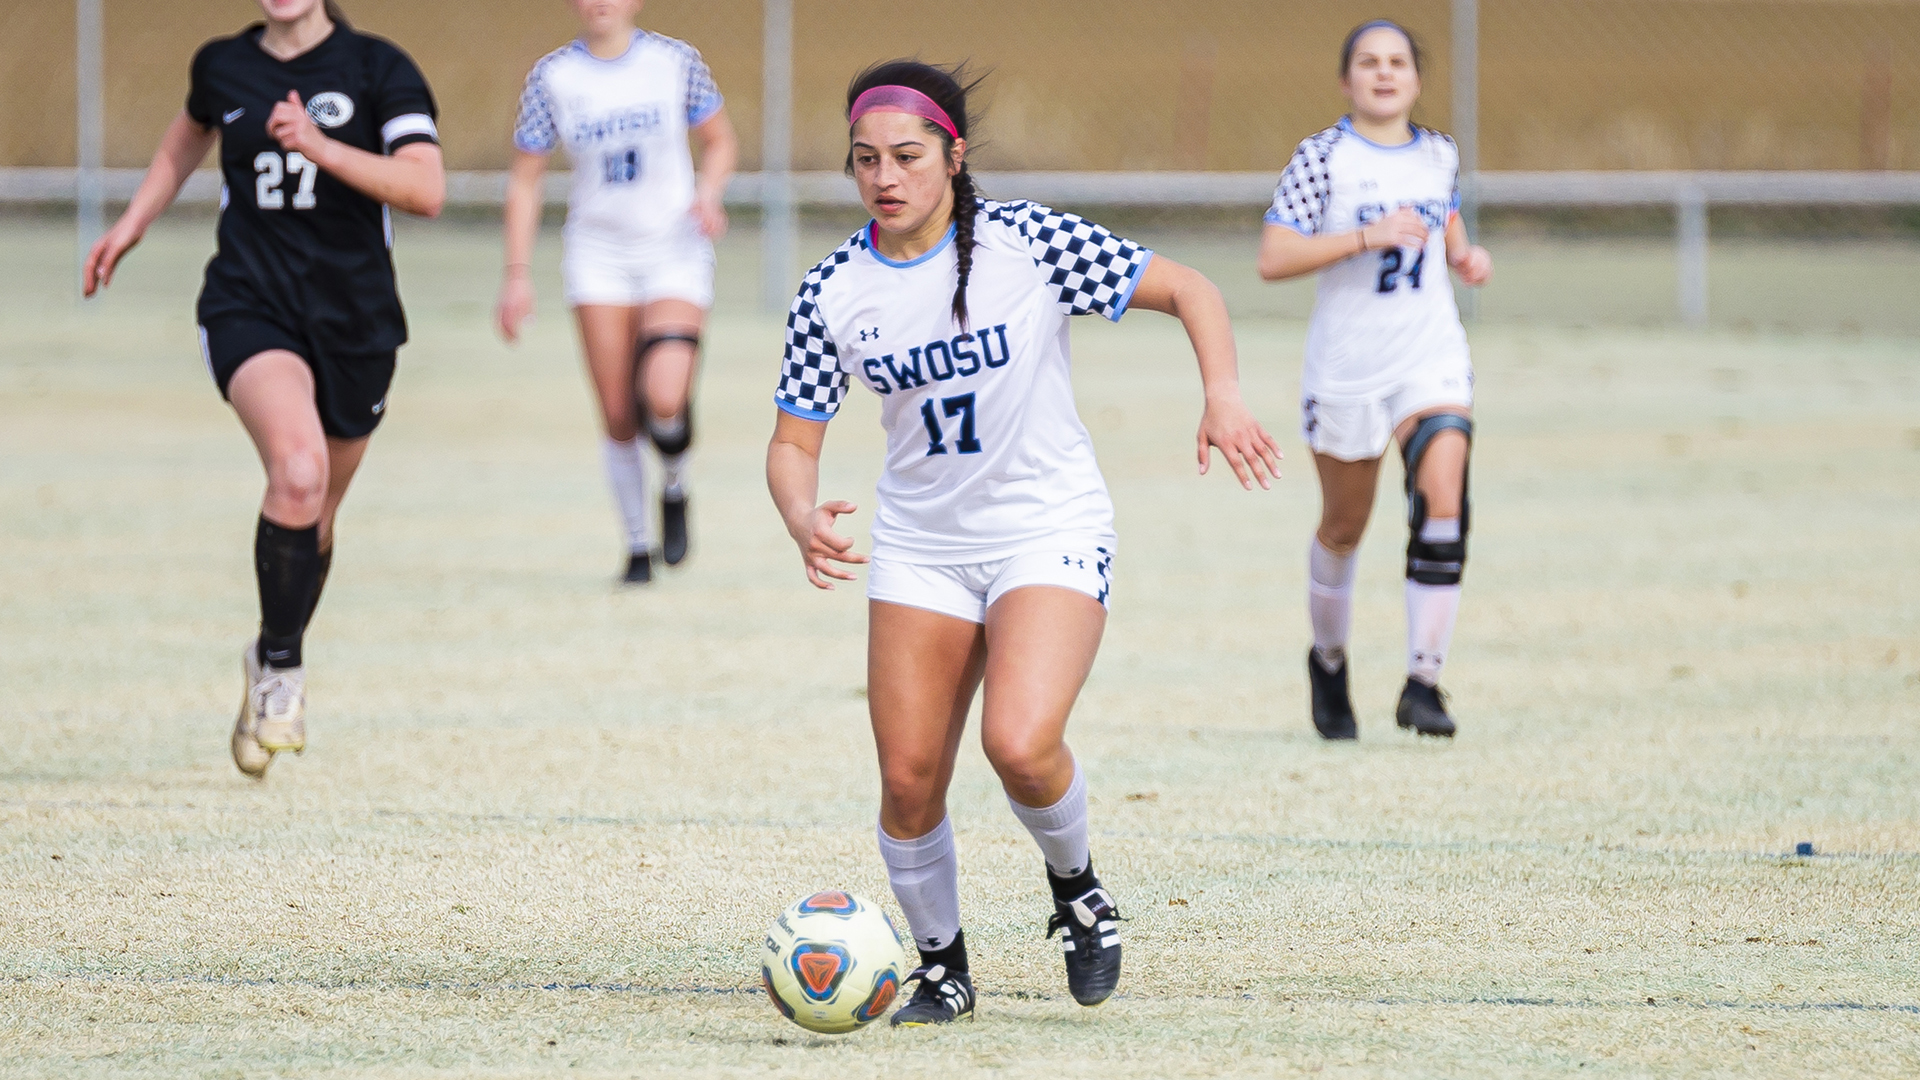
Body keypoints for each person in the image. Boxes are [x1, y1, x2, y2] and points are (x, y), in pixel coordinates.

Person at [766, 60, 1282, 1025]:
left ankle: (1078, 890)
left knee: (1019, 738)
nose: (887, 176)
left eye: (909, 156)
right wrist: (800, 514)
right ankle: (943, 968)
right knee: (910, 780)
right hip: (922, 546)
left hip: (1048, 527)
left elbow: (1193, 290)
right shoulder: (832, 291)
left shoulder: (1028, 241)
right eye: (866, 160)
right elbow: (794, 441)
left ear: (954, 158)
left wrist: (1222, 393)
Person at [82, 0, 443, 779]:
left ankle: (266, 650)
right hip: (251, 304)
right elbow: (187, 137)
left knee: (315, 520)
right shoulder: (223, 64)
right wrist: (134, 220)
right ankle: (283, 671)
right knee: (298, 471)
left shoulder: (379, 68)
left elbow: (424, 189)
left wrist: (321, 145)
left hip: (356, 324)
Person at [1257, 20, 1493, 741]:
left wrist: (1462, 254)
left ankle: (1423, 683)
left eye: (1397, 63)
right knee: (1344, 525)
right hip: (1348, 365)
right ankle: (1328, 662)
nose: (1384, 73)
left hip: (1429, 354)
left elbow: (1443, 210)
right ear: (1346, 80)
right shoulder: (1322, 158)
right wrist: (1365, 235)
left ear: (1417, 80)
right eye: (1368, 62)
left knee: (1444, 491)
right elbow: (1274, 256)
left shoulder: (1439, 152)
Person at [496, 0, 737, 583]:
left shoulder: (675, 61)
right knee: (617, 412)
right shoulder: (553, 77)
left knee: (664, 393)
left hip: (672, 248)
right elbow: (525, 181)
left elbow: (720, 141)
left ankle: (675, 484)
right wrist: (517, 273)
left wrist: (708, 193)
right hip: (597, 256)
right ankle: (636, 548)